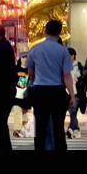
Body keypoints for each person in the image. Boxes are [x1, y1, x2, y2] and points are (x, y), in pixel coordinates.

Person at [26, 20, 75, 151]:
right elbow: (67, 76)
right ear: (59, 33)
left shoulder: (35, 50)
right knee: (58, 127)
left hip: (40, 92)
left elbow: (31, 73)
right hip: (57, 92)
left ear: (45, 31)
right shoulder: (63, 51)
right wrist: (72, 96)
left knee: (40, 127)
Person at [12, 54, 33, 138]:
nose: (25, 59)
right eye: (23, 57)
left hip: (26, 95)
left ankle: (23, 128)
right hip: (17, 94)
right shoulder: (16, 69)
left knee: (24, 112)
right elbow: (19, 83)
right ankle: (17, 129)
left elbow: (27, 83)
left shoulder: (31, 70)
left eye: (26, 58)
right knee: (17, 110)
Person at [66, 48, 83, 139]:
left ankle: (73, 129)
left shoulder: (78, 65)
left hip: (76, 93)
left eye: (68, 55)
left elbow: (81, 78)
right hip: (67, 92)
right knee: (72, 112)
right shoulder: (65, 65)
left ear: (73, 55)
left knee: (73, 111)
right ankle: (74, 128)